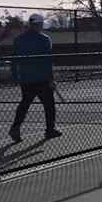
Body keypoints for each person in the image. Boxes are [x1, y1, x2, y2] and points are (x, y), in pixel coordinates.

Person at [8, 13, 62, 143]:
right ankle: (49, 130)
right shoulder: (44, 40)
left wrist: (15, 75)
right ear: (39, 24)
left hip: (26, 78)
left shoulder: (19, 39)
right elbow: (47, 61)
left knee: (25, 103)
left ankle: (15, 127)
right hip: (42, 78)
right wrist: (51, 79)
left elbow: (14, 59)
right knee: (49, 105)